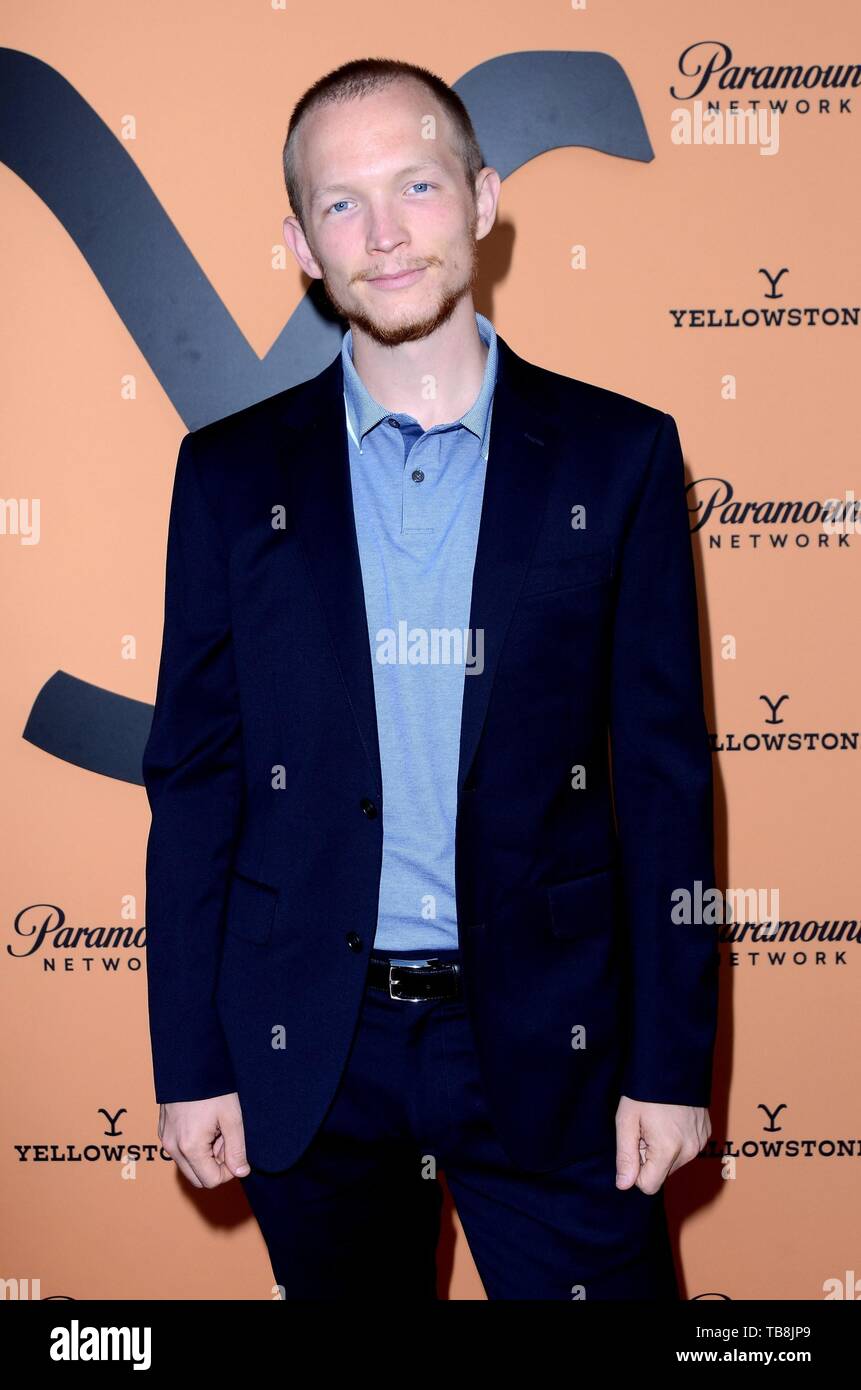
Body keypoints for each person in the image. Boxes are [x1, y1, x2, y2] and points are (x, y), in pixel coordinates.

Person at [142, 57, 719, 1300]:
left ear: (483, 198)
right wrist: (188, 1057)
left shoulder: (619, 457)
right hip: (312, 1042)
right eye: (342, 204)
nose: (386, 232)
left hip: (554, 1043)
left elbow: (667, 786)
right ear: (300, 244)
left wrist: (672, 1065)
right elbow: (194, 784)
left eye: (416, 184)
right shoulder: (231, 477)